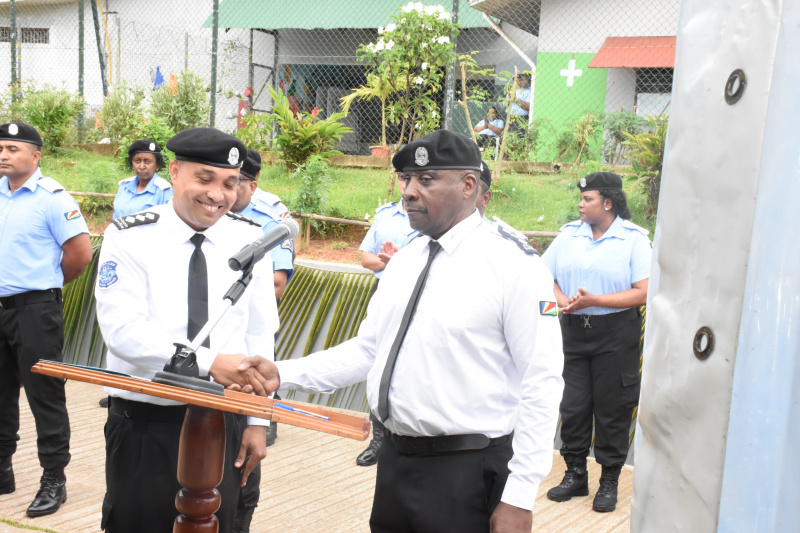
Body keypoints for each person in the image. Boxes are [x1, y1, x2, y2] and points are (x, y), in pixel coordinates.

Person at [235, 130, 565, 533]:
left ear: (468, 186)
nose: (408, 191)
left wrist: (520, 496)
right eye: (407, 179)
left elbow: (542, 382)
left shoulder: (514, 265)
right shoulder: (408, 258)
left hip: (467, 472)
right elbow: (369, 351)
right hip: (395, 463)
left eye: (426, 180)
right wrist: (282, 373)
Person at [94, 128, 279, 533]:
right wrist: (211, 362)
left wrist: (257, 423)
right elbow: (121, 331)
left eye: (231, 183)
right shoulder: (130, 237)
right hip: (145, 423)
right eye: (205, 179)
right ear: (174, 171)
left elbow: (260, 337)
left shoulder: (251, 241)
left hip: (222, 423)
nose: (218, 194)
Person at [541, 172, 650, 513]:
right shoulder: (569, 236)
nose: (580, 203)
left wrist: (596, 300)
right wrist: (561, 300)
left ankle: (608, 481)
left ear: (608, 202)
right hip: (572, 329)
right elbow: (543, 276)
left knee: (612, 407)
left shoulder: (634, 240)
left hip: (615, 334)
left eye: (587, 198)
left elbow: (644, 291)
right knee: (572, 406)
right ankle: (575, 474)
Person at [0, 121, 92, 517]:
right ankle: (2, 468)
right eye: (0, 148)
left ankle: (53, 477)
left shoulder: (54, 198)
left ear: (35, 156)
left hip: (36, 311)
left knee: (45, 396)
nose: (4, 154)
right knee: (0, 394)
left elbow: (79, 255)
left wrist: (47, 287)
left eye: (13, 149)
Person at [229, 149, 291, 533]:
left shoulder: (268, 224)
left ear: (250, 184)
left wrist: (258, 414)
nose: (224, 193)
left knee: (240, 496)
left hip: (241, 369)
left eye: (234, 183)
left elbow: (274, 290)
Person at [354, 174, 418, 468]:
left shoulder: (432, 218)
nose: (408, 185)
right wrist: (390, 263)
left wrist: (400, 264)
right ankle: (378, 439)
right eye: (404, 178)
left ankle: (407, 436)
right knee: (380, 364)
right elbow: (366, 257)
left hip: (419, 295)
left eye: (415, 178)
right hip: (385, 291)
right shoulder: (385, 216)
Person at [232, 149, 294, 300]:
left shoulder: (267, 220)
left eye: (236, 181)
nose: (225, 187)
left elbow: (276, 284)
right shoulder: (206, 216)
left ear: (252, 185)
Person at [112, 139, 172, 218]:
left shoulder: (163, 191)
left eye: (147, 162)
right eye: (137, 161)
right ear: (132, 163)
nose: (141, 166)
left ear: (157, 165)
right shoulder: (124, 186)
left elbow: (169, 222)